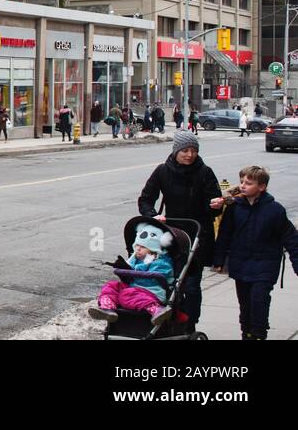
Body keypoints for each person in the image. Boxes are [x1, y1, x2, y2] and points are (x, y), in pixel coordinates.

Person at [137, 130, 225, 330]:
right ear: (176, 151)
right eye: (185, 150)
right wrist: (152, 215)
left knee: (192, 285)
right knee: (168, 281)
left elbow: (215, 201)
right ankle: (168, 321)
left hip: (197, 235)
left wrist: (215, 205)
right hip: (172, 235)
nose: (190, 155)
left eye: (193, 150)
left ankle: (190, 323)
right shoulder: (163, 171)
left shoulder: (205, 172)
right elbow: (145, 199)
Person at [212, 165, 298, 340]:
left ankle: (259, 334)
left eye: (249, 183)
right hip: (240, 264)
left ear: (262, 187)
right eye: (242, 181)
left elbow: (290, 238)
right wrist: (219, 259)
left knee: (259, 300)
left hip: (266, 265)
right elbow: (224, 234)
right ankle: (247, 333)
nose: (243, 186)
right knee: (245, 304)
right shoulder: (234, 207)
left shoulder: (275, 210)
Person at [89, 219, 176, 327]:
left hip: (152, 292)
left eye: (143, 247)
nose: (138, 249)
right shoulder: (135, 258)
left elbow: (157, 275)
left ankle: (157, 310)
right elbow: (128, 270)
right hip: (134, 289)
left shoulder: (161, 262)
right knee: (111, 285)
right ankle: (108, 309)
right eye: (137, 246)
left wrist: (135, 271)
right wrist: (123, 267)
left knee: (126, 294)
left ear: (154, 249)